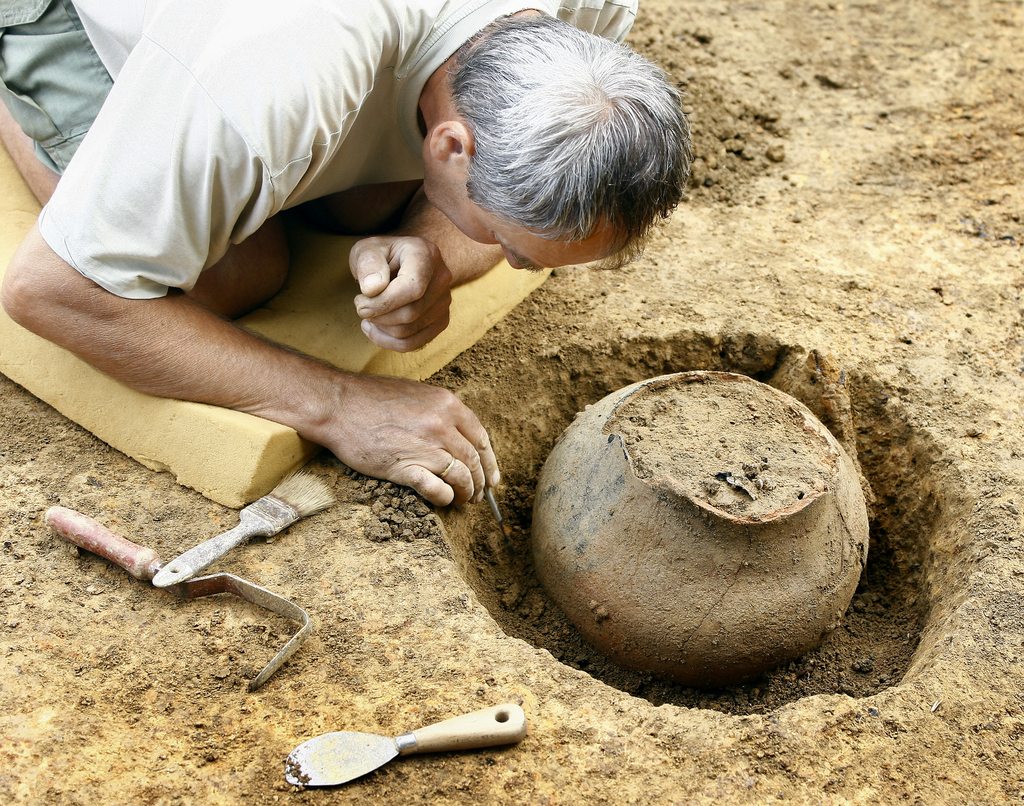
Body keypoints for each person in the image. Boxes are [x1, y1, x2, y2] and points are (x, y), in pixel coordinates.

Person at [0, 1, 691, 508]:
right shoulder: (258, 99)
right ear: (450, 148)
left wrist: (431, 245)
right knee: (236, 272)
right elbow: (52, 290)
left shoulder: (589, 16)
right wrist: (342, 406)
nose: (505, 266)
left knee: (362, 206)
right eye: (509, 245)